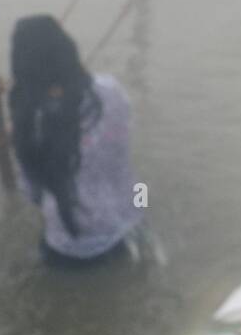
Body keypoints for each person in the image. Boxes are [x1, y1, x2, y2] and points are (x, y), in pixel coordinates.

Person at [9, 15, 143, 266]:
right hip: (129, 220)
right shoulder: (111, 90)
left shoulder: (31, 121)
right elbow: (121, 133)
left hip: (72, 245)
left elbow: (32, 192)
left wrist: (16, 137)